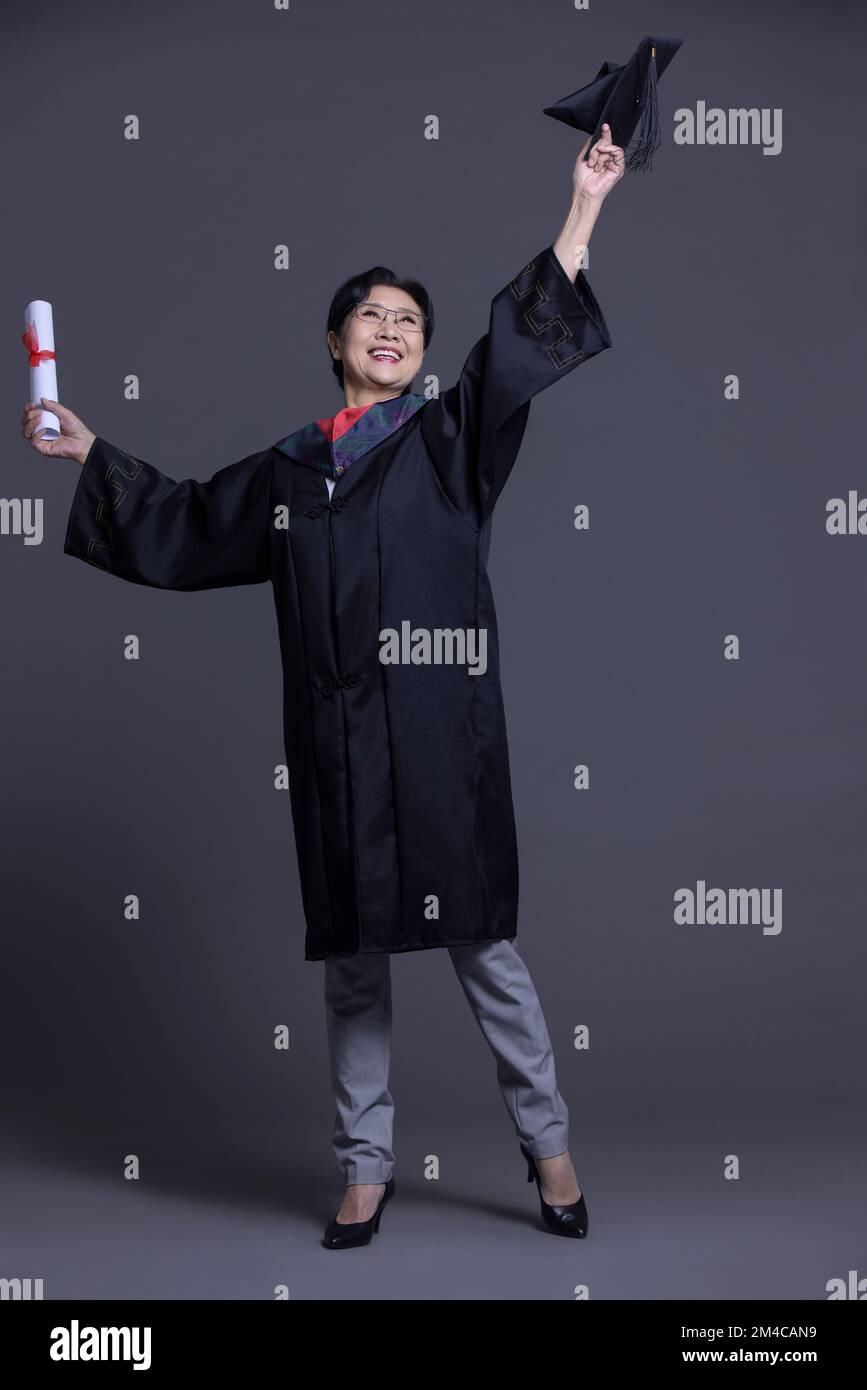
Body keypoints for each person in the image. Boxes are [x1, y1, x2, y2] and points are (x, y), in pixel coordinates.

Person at [22, 125, 625, 1248]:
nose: (393, 331)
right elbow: (191, 522)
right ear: (335, 341)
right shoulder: (292, 470)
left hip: (445, 739)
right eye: (373, 317)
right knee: (352, 958)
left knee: (484, 949)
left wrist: (582, 204)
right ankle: (364, 1169)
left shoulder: (451, 441)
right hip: (341, 743)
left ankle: (550, 1149)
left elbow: (513, 349)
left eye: (409, 322)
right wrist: (91, 453)